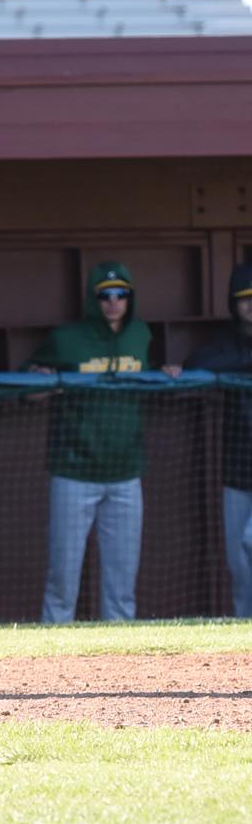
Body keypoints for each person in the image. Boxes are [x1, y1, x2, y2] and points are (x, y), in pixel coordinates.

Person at [26, 262, 179, 622]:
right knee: (63, 579)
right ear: (93, 298)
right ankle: (50, 660)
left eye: (120, 294)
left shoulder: (140, 333)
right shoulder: (66, 338)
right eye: (105, 295)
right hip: (74, 470)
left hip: (126, 471)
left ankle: (119, 663)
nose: (113, 302)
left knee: (122, 583)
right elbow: (28, 383)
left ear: (130, 297)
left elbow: (150, 370)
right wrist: (40, 380)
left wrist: (165, 373)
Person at [185, 262, 252, 616]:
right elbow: (195, 363)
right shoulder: (224, 345)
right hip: (237, 472)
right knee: (239, 568)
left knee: (250, 541)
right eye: (245, 298)